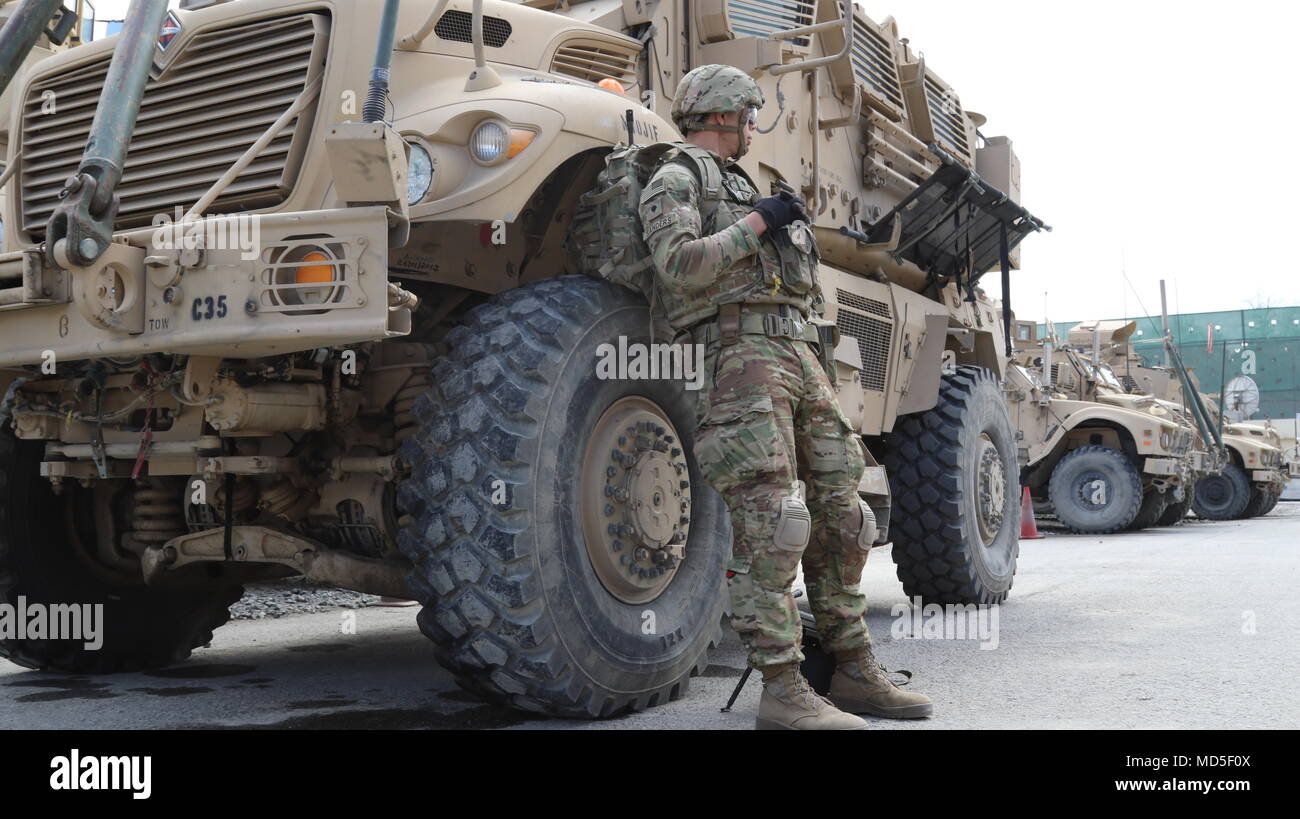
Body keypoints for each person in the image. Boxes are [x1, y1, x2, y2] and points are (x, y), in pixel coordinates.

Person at [639, 64, 932, 730]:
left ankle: (853, 667)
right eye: (746, 117)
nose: (750, 129)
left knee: (842, 509)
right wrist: (757, 223)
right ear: (723, 115)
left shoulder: (742, 182)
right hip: (738, 353)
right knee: (773, 518)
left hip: (797, 351)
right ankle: (783, 686)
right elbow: (679, 266)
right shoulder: (677, 177)